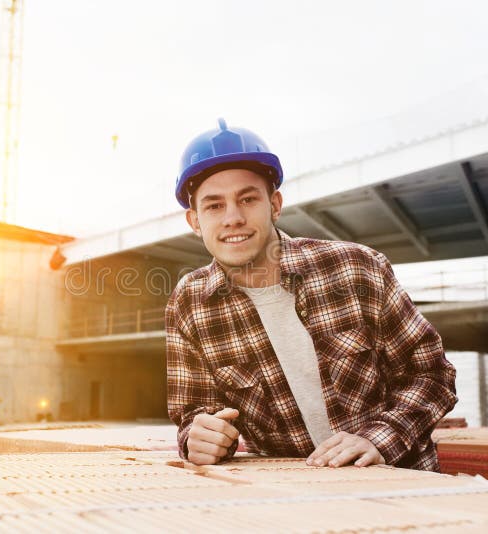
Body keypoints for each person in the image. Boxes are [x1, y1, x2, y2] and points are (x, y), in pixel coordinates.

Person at [166, 119, 457, 471]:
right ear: (194, 222)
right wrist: (197, 437)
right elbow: (195, 411)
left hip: (400, 482)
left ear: (274, 204)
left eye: (247, 199)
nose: (233, 218)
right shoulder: (191, 302)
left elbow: (431, 374)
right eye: (214, 206)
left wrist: (378, 438)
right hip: (290, 498)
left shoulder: (356, 268)